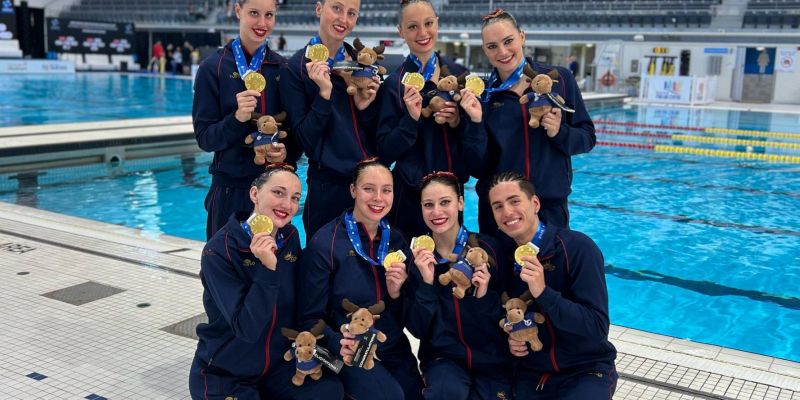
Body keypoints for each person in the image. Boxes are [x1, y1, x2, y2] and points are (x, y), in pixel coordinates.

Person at [189, 164, 344, 400]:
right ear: (254, 194)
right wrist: (268, 268)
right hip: (228, 372)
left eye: (295, 198)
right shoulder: (219, 251)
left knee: (329, 392)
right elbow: (247, 329)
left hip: (277, 366)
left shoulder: (289, 237)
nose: (287, 205)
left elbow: (300, 300)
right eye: (278, 193)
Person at [298, 158, 424, 400]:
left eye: (386, 190)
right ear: (353, 190)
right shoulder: (326, 243)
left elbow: (405, 315)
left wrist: (397, 293)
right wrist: (339, 342)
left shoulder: (397, 241)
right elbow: (309, 317)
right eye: (369, 189)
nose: (378, 198)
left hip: (391, 346)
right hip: (344, 349)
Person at [487, 171, 617, 400]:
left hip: (585, 370)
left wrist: (544, 293)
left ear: (535, 203)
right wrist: (511, 338)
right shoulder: (503, 259)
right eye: (498, 206)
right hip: (532, 373)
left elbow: (597, 328)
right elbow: (504, 316)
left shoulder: (577, 249)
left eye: (514, 201)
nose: (507, 212)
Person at [474, 9, 595, 233]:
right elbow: (478, 166)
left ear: (522, 36)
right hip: (500, 212)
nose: (502, 51)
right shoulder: (484, 95)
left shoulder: (558, 79)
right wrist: (472, 125)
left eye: (508, 41)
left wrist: (559, 132)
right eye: (492, 46)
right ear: (485, 50)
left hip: (548, 207)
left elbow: (587, 138)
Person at [376, 0, 485, 237]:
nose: (422, 33)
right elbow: (384, 152)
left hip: (449, 196)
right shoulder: (394, 85)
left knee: (448, 265)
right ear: (401, 31)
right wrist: (411, 120)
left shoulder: (459, 76)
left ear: (438, 23)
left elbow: (477, 151)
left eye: (428, 23)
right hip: (409, 196)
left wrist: (458, 122)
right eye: (413, 26)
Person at [193, 0, 299, 239]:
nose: (262, 23)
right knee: (223, 267)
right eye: (254, 13)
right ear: (238, 11)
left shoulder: (282, 68)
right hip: (230, 189)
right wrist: (237, 118)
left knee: (270, 270)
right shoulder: (213, 68)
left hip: (273, 193)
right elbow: (205, 139)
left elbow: (294, 133)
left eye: (269, 15)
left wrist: (285, 153)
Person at [279, 0, 382, 242]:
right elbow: (305, 139)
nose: (343, 19)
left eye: (351, 13)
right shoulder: (296, 68)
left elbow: (375, 134)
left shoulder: (363, 64)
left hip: (368, 185)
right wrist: (324, 95)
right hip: (327, 188)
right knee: (325, 268)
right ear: (318, 9)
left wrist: (366, 107)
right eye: (336, 8)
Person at [405, 171, 513, 400]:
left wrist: (482, 296)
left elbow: (508, 311)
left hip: (492, 358)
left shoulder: (488, 249)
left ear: (461, 203)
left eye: (445, 202)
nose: (436, 212)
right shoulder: (418, 258)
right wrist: (426, 283)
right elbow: (418, 329)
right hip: (443, 360)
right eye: (428, 204)